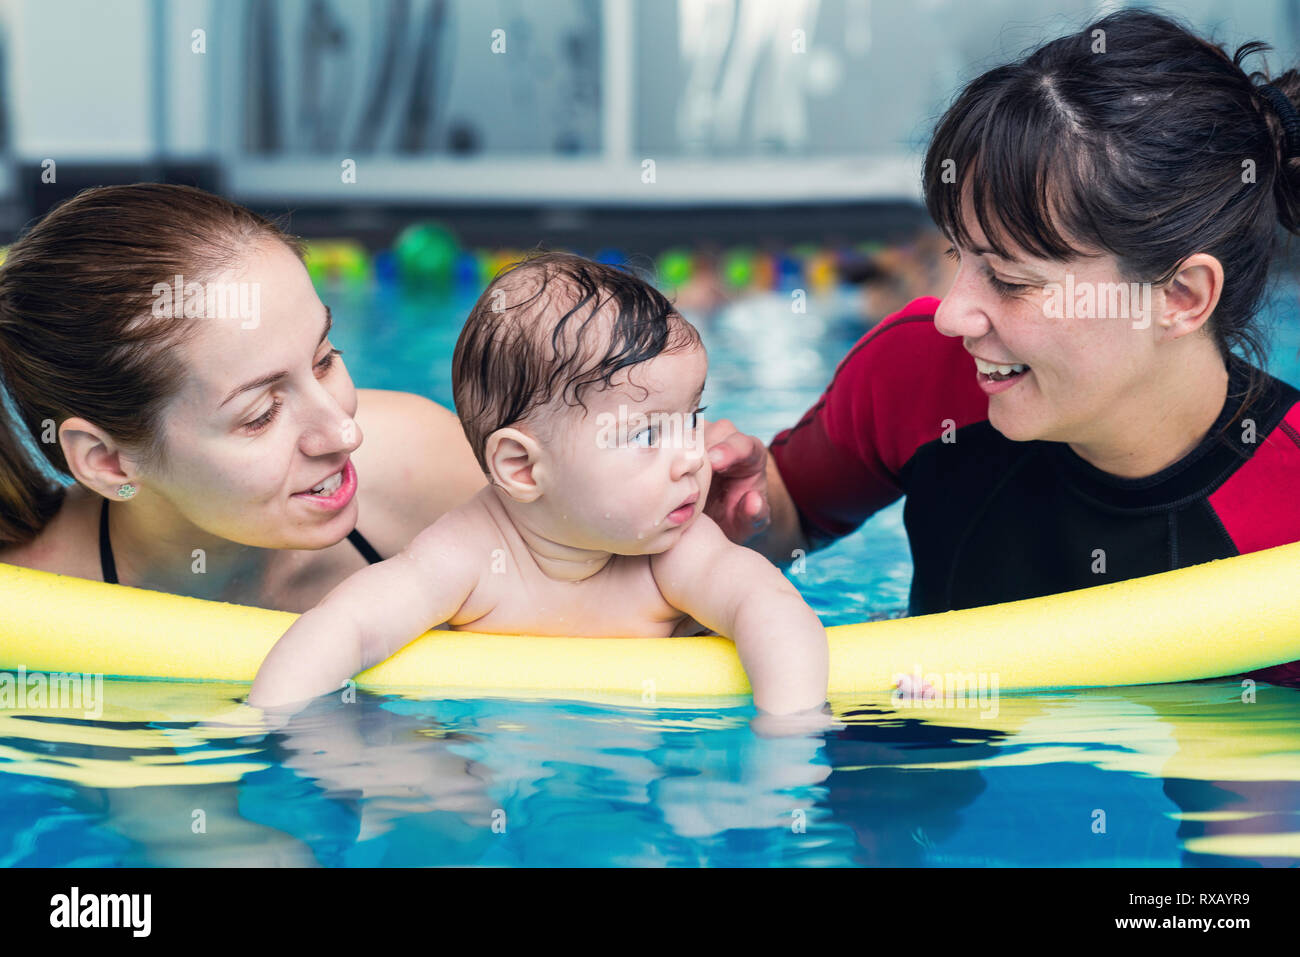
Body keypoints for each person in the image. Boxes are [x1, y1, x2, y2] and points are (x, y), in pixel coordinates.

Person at [701, 9, 1300, 684]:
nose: (953, 315)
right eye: (956, 253)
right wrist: (741, 518)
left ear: (1181, 296)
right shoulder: (918, 374)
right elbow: (789, 518)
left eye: (1012, 280)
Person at [249, 253, 829, 715]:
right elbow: (345, 627)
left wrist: (789, 738)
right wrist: (262, 723)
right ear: (523, 468)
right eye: (648, 436)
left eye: (692, 419)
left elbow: (773, 611)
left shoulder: (675, 553)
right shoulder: (468, 554)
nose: (691, 459)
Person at [0, 183, 488, 611]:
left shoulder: (426, 472)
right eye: (261, 415)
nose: (345, 431)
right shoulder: (34, 604)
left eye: (324, 359)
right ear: (108, 461)